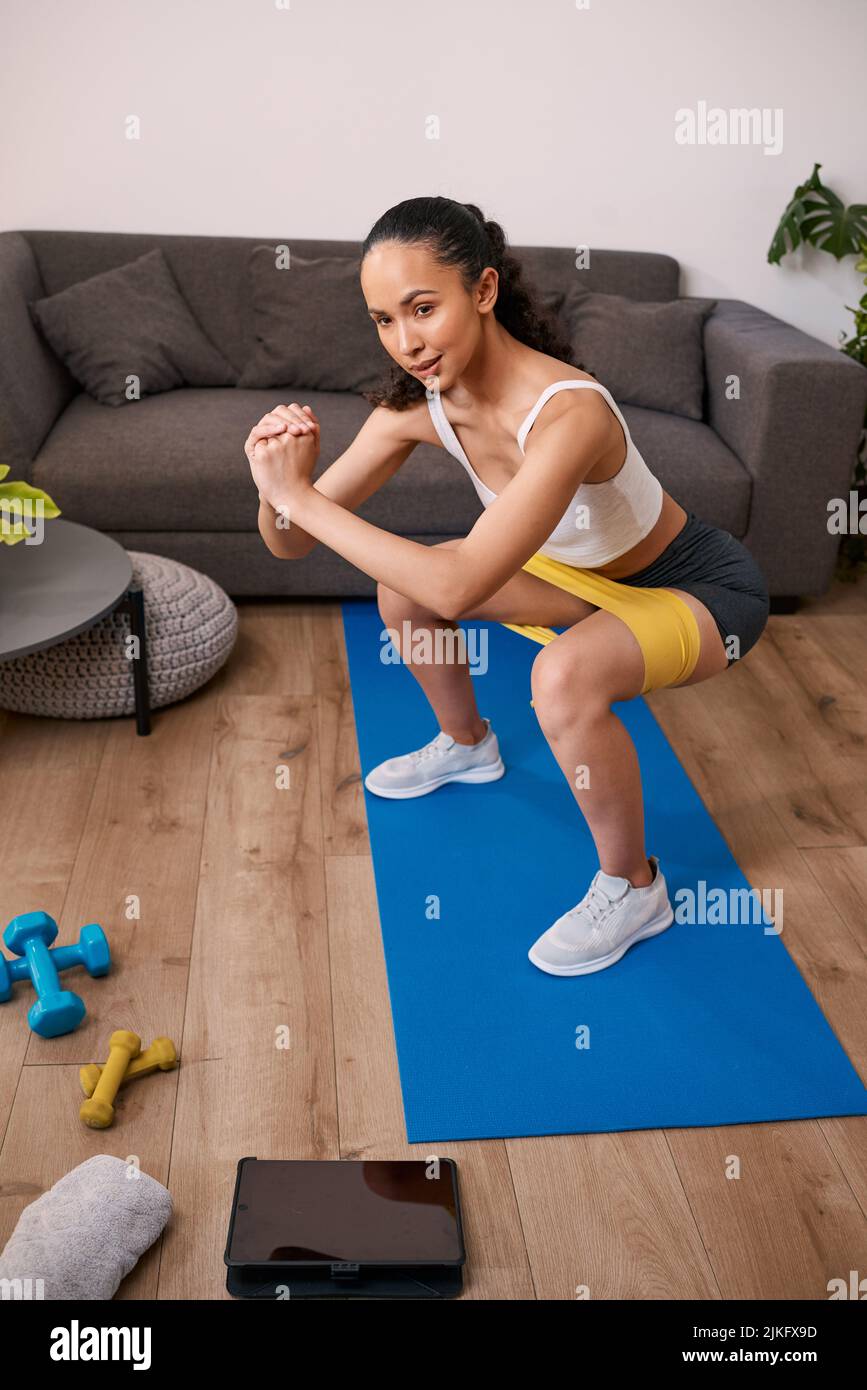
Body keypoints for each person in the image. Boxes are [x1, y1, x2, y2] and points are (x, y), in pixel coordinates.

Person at [246, 196, 770, 977]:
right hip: (575, 580)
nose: (406, 342)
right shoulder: (414, 407)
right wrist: (275, 483)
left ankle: (634, 888)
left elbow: (456, 586)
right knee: (402, 593)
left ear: (483, 291)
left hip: (695, 588)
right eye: (383, 320)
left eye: (423, 309)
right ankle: (467, 746)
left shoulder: (570, 412)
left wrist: (302, 499)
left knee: (557, 678)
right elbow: (285, 543)